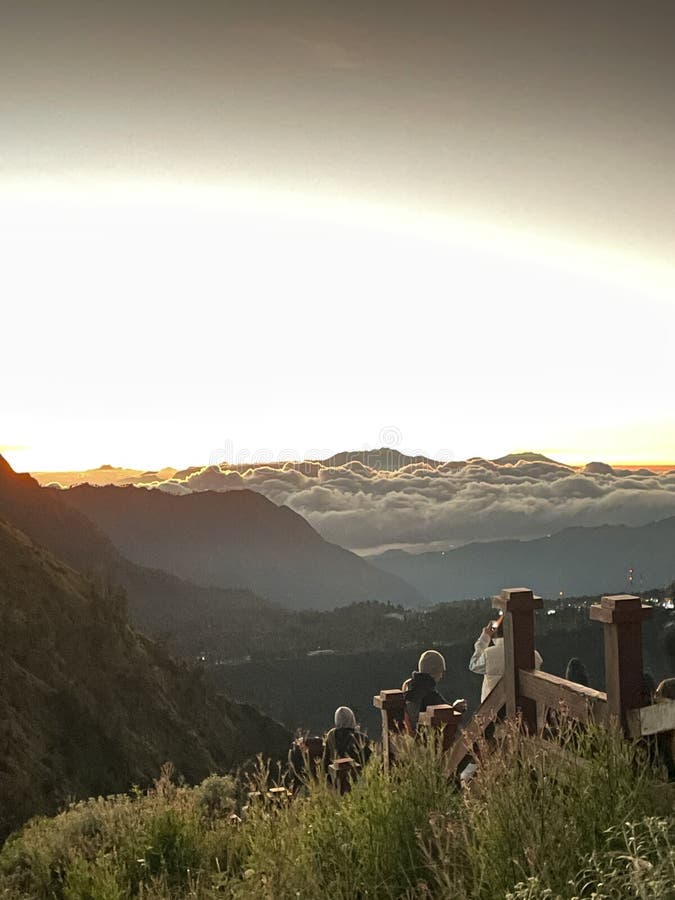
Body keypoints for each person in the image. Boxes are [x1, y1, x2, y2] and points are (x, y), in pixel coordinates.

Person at [469, 616, 543, 703]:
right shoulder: (534, 655)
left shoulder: (489, 655)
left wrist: (484, 638)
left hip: (494, 706)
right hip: (525, 705)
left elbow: (473, 665)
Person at [403, 649, 467, 733]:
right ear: (434, 671)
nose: (441, 676)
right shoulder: (429, 694)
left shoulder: (411, 688)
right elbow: (444, 714)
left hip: (414, 738)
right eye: (441, 672)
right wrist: (456, 708)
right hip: (427, 741)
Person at [322, 706, 371, 774]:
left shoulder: (331, 736)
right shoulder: (361, 738)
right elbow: (369, 762)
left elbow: (325, 763)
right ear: (352, 719)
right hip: (357, 776)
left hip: (335, 776)